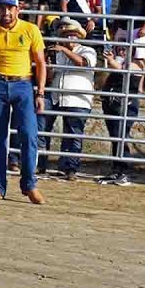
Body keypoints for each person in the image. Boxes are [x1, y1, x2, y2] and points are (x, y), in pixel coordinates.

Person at [0, 0, 48, 204]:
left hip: (23, 84)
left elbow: (41, 63)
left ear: (18, 9)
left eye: (10, 8)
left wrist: (40, 92)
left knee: (28, 135)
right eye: (2, 8)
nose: (6, 12)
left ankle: (29, 184)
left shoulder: (30, 30)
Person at [38, 18, 96, 180]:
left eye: (73, 34)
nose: (70, 38)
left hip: (78, 98)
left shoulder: (88, 50)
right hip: (56, 95)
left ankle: (70, 168)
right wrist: (48, 62)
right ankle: (40, 164)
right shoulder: (58, 53)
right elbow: (50, 76)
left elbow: (83, 63)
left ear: (79, 36)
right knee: (41, 127)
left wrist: (64, 50)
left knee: (73, 134)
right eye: (66, 35)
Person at [98, 40, 143, 186]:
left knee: (121, 136)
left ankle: (126, 171)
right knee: (115, 137)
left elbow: (123, 69)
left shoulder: (136, 65)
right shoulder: (117, 65)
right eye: (120, 49)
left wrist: (110, 60)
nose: (122, 52)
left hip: (126, 106)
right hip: (112, 104)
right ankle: (117, 169)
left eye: (125, 49)